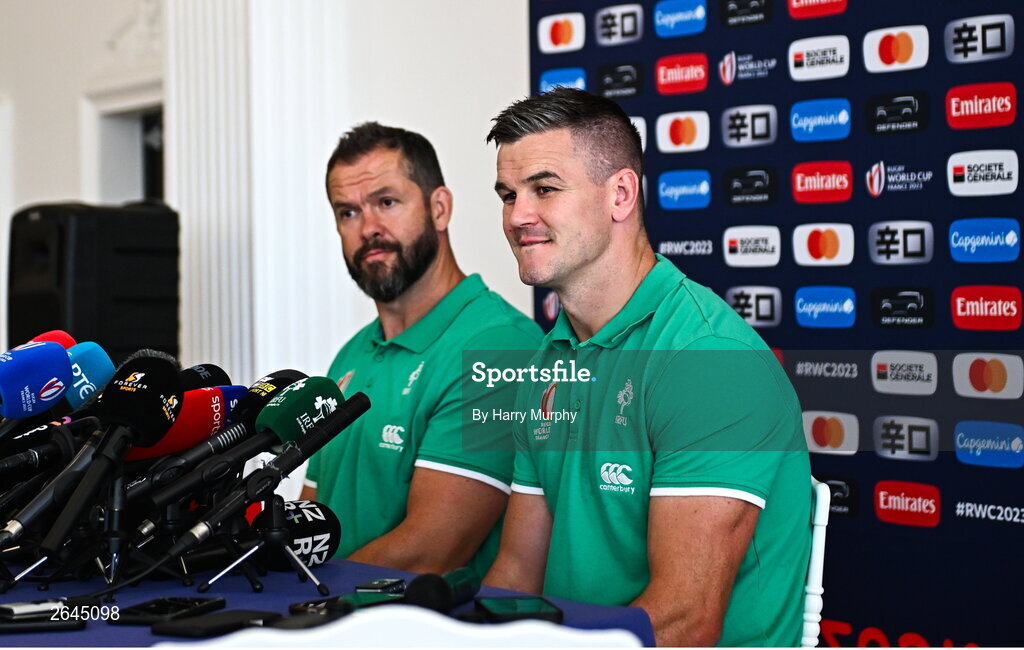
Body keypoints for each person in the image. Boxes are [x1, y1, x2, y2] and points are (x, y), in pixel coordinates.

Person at [481, 88, 811, 647]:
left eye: (544, 189)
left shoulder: (709, 359)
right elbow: (515, 577)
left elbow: (683, 622)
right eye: (508, 195)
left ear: (620, 194)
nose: (518, 216)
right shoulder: (547, 361)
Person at [301, 122, 542, 577]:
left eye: (386, 203)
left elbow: (431, 549)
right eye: (347, 213)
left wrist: (298, 605)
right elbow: (311, 524)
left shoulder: (500, 349)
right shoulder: (351, 354)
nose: (368, 228)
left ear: (439, 208)